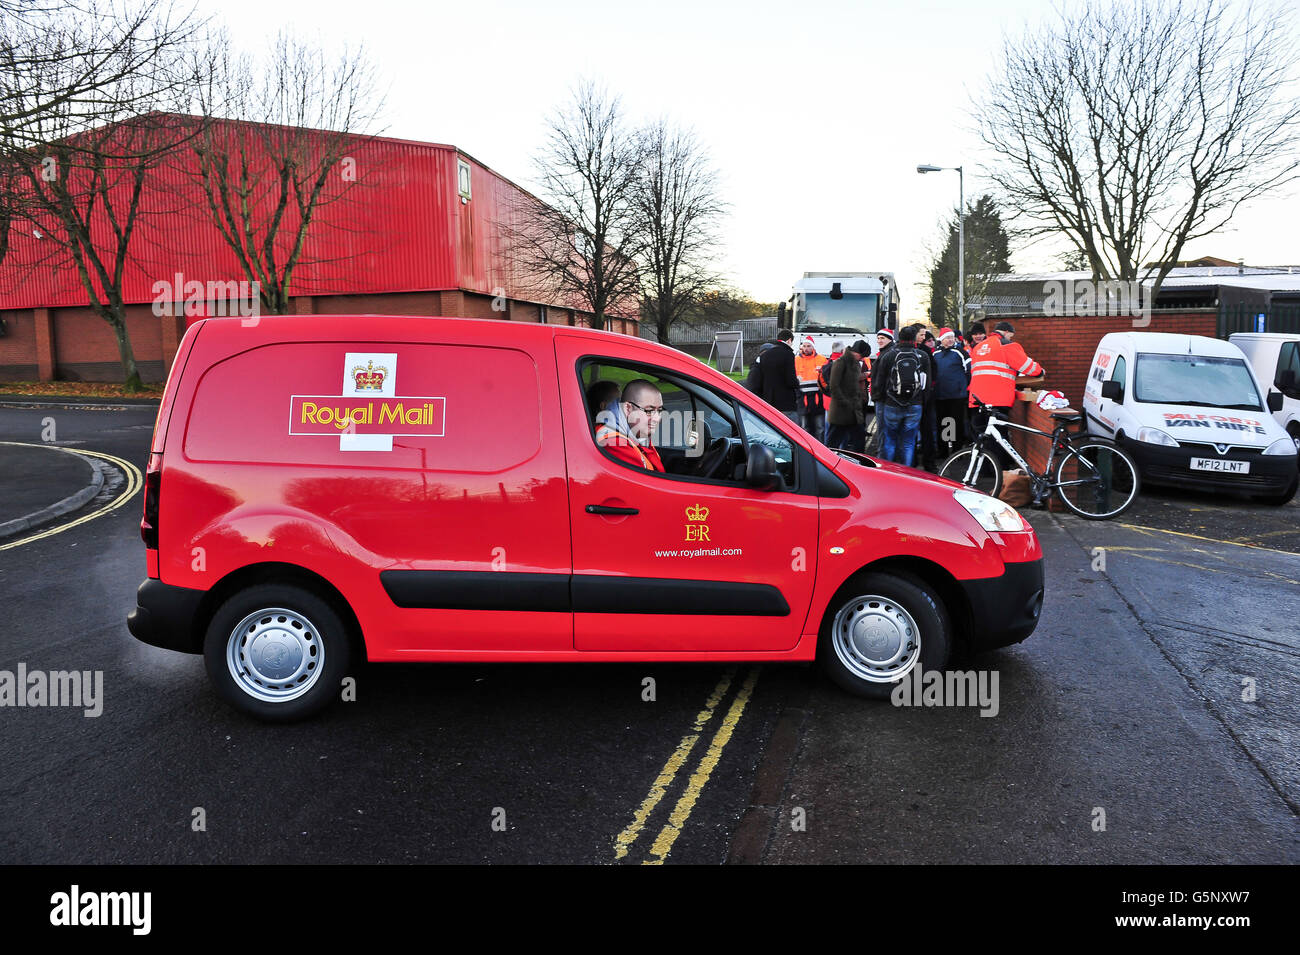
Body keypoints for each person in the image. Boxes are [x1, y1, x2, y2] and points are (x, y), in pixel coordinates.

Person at [968, 321, 1044, 462]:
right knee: (997, 438)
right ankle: (998, 470)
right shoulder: (1006, 345)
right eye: (1011, 336)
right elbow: (1030, 368)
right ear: (1007, 332)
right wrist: (1040, 371)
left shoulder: (978, 347)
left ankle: (982, 470)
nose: (1011, 338)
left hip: (976, 399)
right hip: (997, 399)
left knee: (981, 436)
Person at [871, 325, 931, 467]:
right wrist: (922, 402)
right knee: (909, 442)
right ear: (913, 338)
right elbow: (926, 384)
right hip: (915, 404)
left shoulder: (889, 355)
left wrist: (880, 398)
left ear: (899, 338)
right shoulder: (923, 356)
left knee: (890, 440)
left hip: (892, 403)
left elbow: (879, 382)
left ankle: (889, 471)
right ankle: (906, 472)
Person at [595, 379, 666, 472]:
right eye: (649, 411)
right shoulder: (613, 442)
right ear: (628, 409)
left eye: (659, 411)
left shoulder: (638, 434)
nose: (657, 418)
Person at [932, 329, 971, 460]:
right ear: (941, 339)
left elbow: (969, 370)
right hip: (940, 395)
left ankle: (956, 451)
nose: (950, 340)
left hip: (957, 395)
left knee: (956, 423)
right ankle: (943, 450)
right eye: (947, 337)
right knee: (943, 423)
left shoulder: (960, 352)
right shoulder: (935, 353)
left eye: (952, 337)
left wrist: (964, 387)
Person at [826, 341, 867, 450]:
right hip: (841, 412)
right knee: (833, 443)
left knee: (859, 441)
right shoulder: (840, 362)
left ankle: (859, 463)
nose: (862, 358)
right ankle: (827, 464)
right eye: (861, 355)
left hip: (854, 411)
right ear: (856, 352)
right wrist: (845, 403)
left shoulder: (856, 363)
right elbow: (834, 386)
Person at [755, 328, 800, 424]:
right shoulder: (788, 354)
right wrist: (797, 382)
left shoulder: (764, 356)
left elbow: (760, 379)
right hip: (786, 402)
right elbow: (790, 380)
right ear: (789, 340)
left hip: (769, 401)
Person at [793, 335, 826, 438]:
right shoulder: (796, 360)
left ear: (813, 347)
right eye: (804, 346)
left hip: (818, 398)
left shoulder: (822, 359)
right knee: (804, 427)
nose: (806, 348)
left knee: (820, 427)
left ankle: (821, 449)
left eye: (808, 346)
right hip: (803, 398)